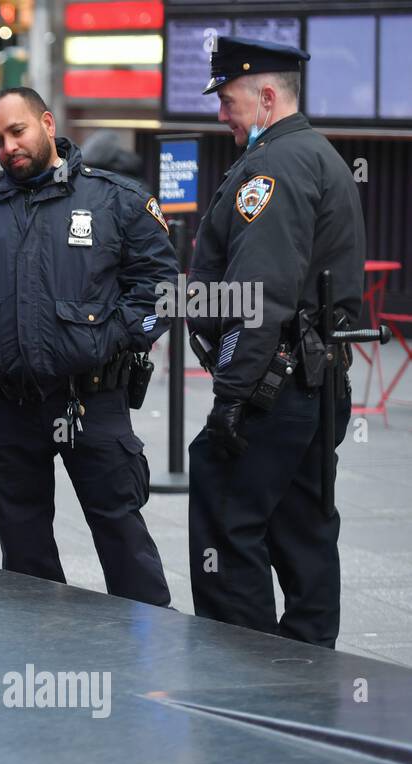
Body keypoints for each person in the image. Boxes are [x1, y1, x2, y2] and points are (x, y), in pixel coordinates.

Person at [0, 87, 175, 607]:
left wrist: (113, 335)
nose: (7, 146)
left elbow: (160, 285)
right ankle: (35, 652)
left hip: (91, 399)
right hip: (5, 405)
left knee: (121, 535)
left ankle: (154, 652)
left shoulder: (115, 200)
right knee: (24, 550)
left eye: (18, 131)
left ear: (48, 124)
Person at [186, 38, 362, 648]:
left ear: (266, 97)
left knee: (228, 522)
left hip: (274, 382)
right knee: (302, 524)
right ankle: (311, 666)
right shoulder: (319, 155)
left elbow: (256, 294)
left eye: (228, 100)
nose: (221, 114)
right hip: (317, 380)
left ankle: (242, 671)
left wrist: (233, 395)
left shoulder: (273, 167)